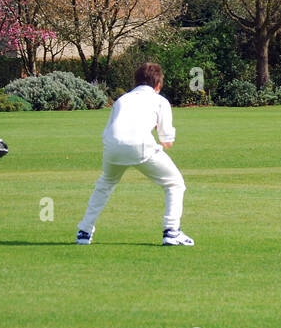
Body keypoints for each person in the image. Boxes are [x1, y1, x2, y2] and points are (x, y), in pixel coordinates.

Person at [76, 62, 193, 246]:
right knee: (175, 183)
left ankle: (84, 231)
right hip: (140, 146)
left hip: (112, 146)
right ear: (158, 85)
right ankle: (171, 231)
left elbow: (114, 127)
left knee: (105, 184)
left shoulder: (122, 99)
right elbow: (166, 141)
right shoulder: (160, 101)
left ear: (136, 82)